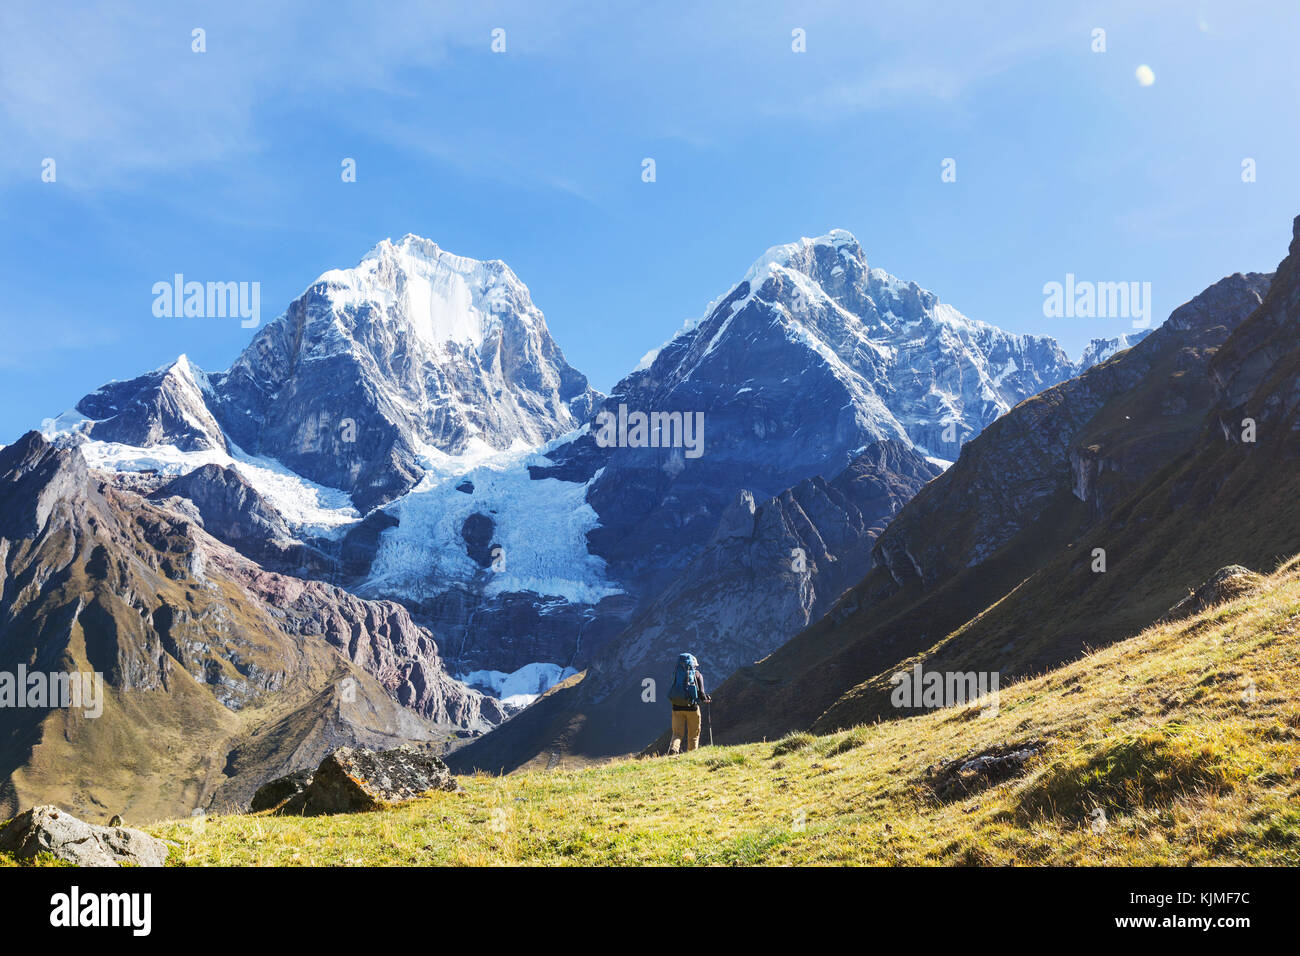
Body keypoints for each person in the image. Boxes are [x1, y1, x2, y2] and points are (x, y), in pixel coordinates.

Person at [667, 652, 711, 754]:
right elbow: (701, 693)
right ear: (693, 664)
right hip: (692, 708)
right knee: (693, 734)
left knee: (677, 733)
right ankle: (691, 755)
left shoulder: (676, 674)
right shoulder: (697, 675)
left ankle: (674, 749)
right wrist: (706, 699)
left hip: (676, 707)